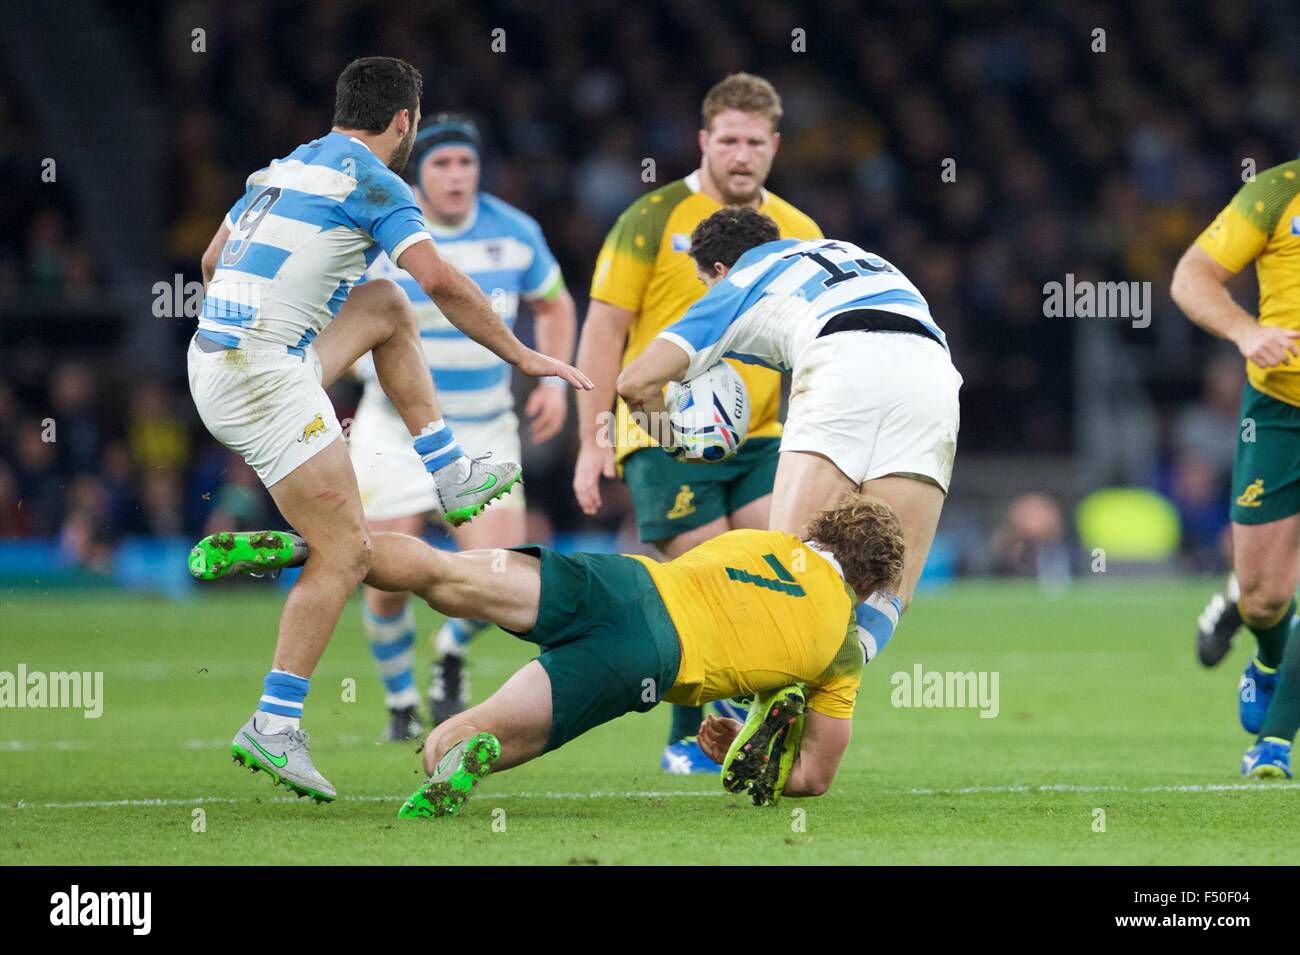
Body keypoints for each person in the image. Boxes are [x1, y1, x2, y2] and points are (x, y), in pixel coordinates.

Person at [187, 57, 590, 802]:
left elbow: (213, 261)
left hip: (222, 357)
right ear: (404, 122)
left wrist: (259, 331)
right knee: (347, 550)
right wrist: (525, 353)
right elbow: (439, 278)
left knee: (384, 306)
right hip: (261, 375)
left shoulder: (285, 166)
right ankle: (275, 722)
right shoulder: (378, 184)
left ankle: (446, 468)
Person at [188, 493, 905, 818]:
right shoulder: (838, 647)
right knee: (446, 740)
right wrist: (734, 750)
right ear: (870, 581)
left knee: (443, 573)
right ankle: (467, 756)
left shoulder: (766, 540)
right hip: (646, 657)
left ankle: (316, 552)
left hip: (617, 580)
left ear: (824, 530)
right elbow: (811, 775)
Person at [572, 73, 822, 774]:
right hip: (663, 433)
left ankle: (736, 721)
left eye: (755, 143)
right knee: (706, 576)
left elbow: (813, 342)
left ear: (773, 146)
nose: (741, 155)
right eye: (728, 141)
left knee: (776, 571)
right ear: (704, 142)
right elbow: (603, 334)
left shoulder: (800, 230)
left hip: (764, 437)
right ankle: (689, 735)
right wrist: (593, 441)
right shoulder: (650, 219)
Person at [617, 206, 961, 664]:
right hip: (933, 372)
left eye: (704, 284)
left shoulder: (737, 285)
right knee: (892, 582)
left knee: (786, 570)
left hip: (843, 359)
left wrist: (679, 444)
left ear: (718, 270)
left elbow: (633, 383)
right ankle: (834, 680)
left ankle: (777, 691)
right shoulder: (850, 253)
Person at [346, 114, 576, 742]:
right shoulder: (383, 230)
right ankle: (400, 703)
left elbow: (556, 302)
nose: (455, 176)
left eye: (465, 164)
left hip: (483, 428)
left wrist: (554, 381)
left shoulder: (516, 232)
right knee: (384, 574)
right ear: (417, 172)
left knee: (497, 574)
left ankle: (449, 652)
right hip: (394, 431)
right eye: (441, 164)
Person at [1170, 157, 1300, 778]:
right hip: (1278, 411)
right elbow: (1191, 277)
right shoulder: (1276, 191)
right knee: (1265, 597)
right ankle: (1269, 658)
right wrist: (1247, 334)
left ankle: (1273, 745)